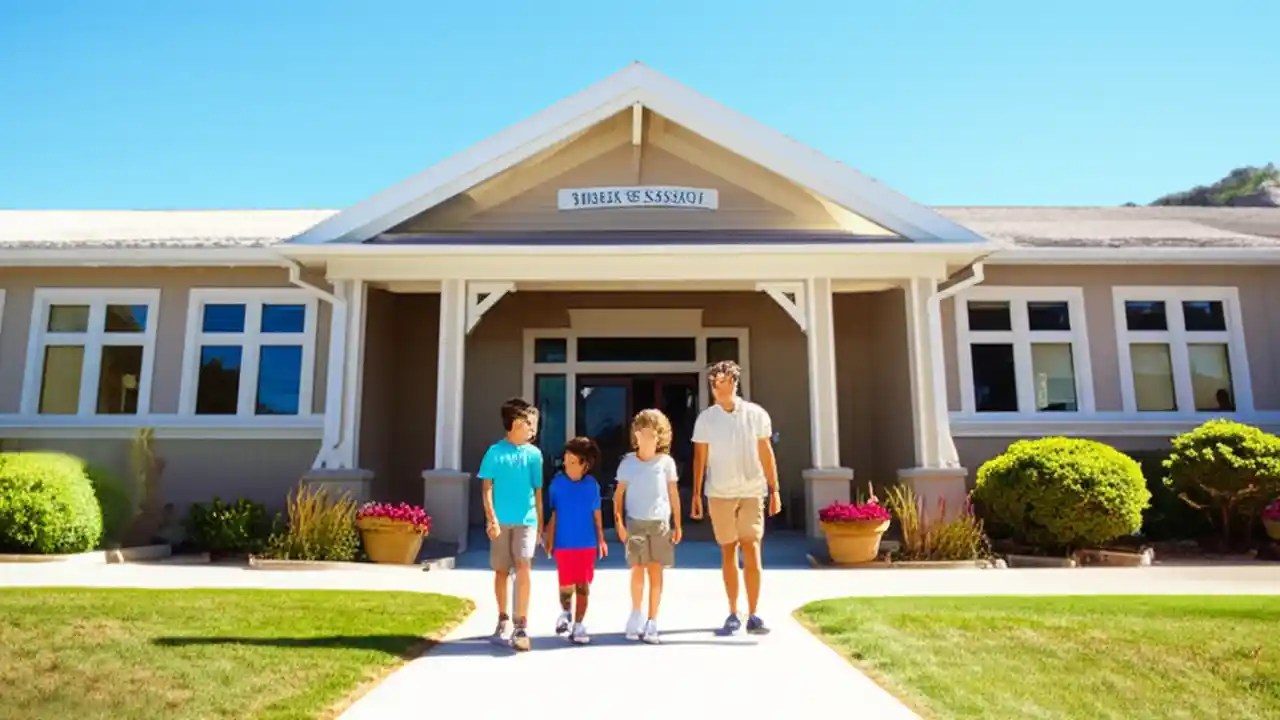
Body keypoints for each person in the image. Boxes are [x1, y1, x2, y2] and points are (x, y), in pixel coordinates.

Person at [690, 360, 780, 636]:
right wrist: (696, 493)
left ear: (734, 383)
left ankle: (754, 614)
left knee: (751, 547)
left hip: (752, 491)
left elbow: (766, 452)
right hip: (719, 493)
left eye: (723, 382)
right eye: (714, 384)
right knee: (728, 549)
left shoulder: (756, 415)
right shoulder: (706, 419)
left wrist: (774, 489)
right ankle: (733, 612)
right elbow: (700, 458)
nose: (718, 388)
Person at [478, 397, 544, 652]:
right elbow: (486, 488)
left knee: (524, 564)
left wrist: (540, 523)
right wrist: (491, 519)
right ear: (516, 424)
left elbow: (537, 491)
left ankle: (521, 622)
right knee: (501, 571)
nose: (532, 429)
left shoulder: (534, 455)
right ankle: (503, 616)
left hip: (526, 520)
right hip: (501, 522)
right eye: (529, 424)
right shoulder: (494, 453)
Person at [614, 408, 682, 644]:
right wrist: (619, 523)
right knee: (637, 570)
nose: (647, 439)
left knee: (656, 571)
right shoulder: (628, 463)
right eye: (642, 433)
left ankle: (653, 619)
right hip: (635, 523)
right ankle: (636, 614)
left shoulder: (666, 463)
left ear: (660, 437)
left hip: (660, 524)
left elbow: (673, 495)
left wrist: (678, 524)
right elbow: (619, 495)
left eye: (653, 435)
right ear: (636, 435)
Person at [543, 436, 608, 645]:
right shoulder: (557, 485)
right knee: (565, 585)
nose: (567, 465)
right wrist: (548, 539)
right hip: (563, 544)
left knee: (583, 585)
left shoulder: (592, 486)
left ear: (584, 465)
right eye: (566, 461)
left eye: (573, 462)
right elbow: (552, 514)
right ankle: (565, 612)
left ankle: (579, 624)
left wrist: (601, 539)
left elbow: (596, 515)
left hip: (586, 544)